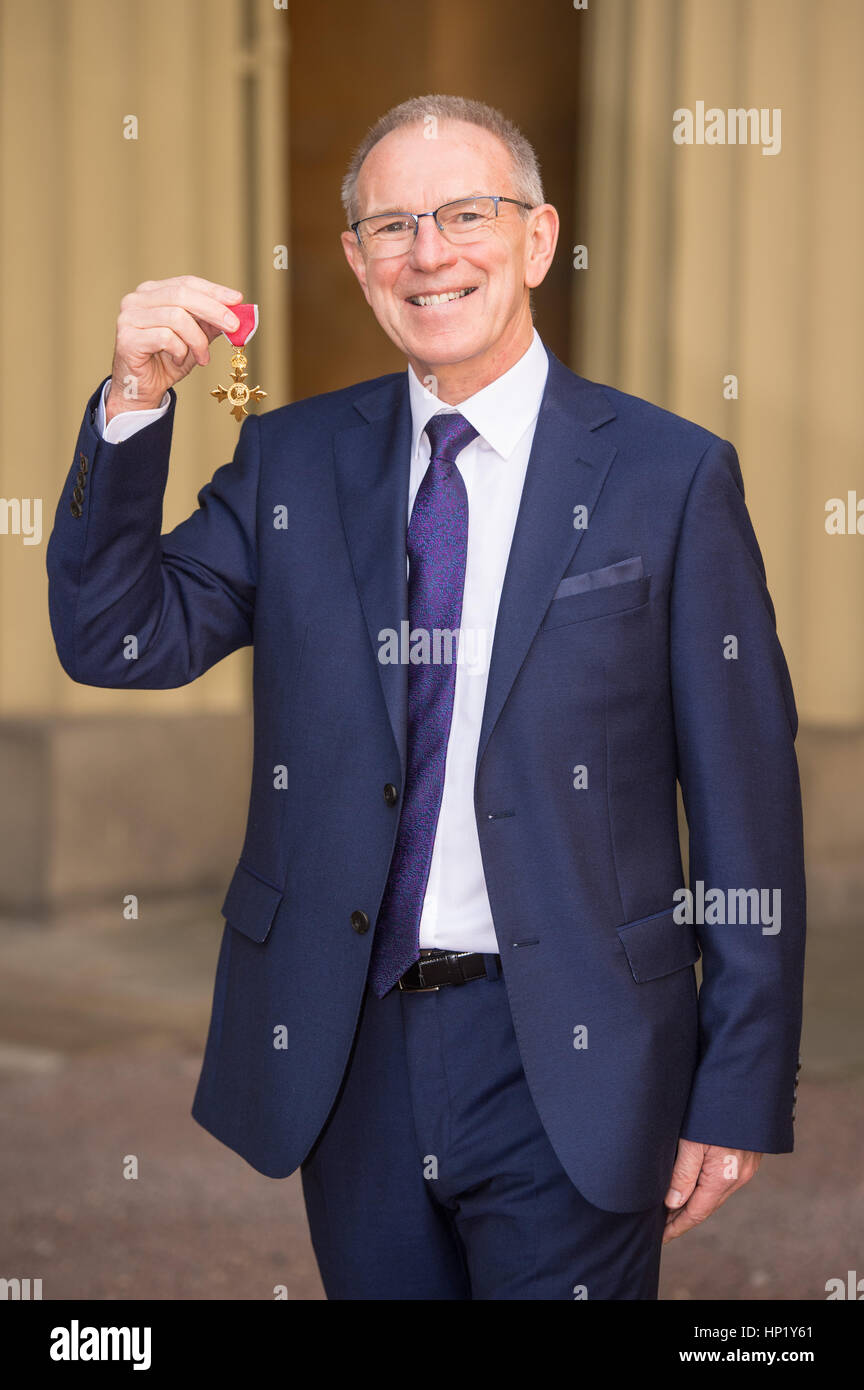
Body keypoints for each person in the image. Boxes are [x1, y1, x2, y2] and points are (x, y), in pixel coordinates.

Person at [47, 94, 805, 1300]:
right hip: (354, 1052)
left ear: (541, 237)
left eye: (464, 213)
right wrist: (134, 402)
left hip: (580, 1048)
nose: (430, 251)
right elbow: (115, 636)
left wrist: (740, 1081)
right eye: (392, 225)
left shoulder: (670, 477)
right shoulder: (294, 461)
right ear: (355, 261)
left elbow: (748, 804)